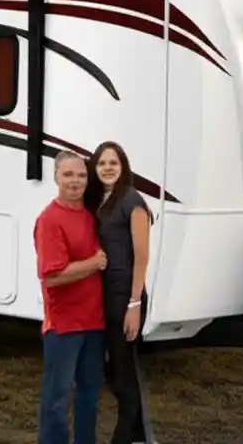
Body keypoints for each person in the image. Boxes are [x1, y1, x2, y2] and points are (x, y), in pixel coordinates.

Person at [33, 150, 108, 444]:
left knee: (89, 395)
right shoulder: (50, 220)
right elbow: (52, 276)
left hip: (94, 323)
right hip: (64, 327)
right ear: (55, 177)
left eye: (81, 175)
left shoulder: (90, 216)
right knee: (57, 398)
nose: (75, 181)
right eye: (68, 174)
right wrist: (94, 263)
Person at [85, 141, 154, 444]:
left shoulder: (132, 200)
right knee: (114, 370)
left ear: (123, 166)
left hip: (125, 296)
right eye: (102, 163)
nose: (107, 168)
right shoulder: (97, 199)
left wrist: (134, 304)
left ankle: (124, 437)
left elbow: (142, 256)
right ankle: (139, 435)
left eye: (113, 163)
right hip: (103, 294)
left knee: (122, 371)